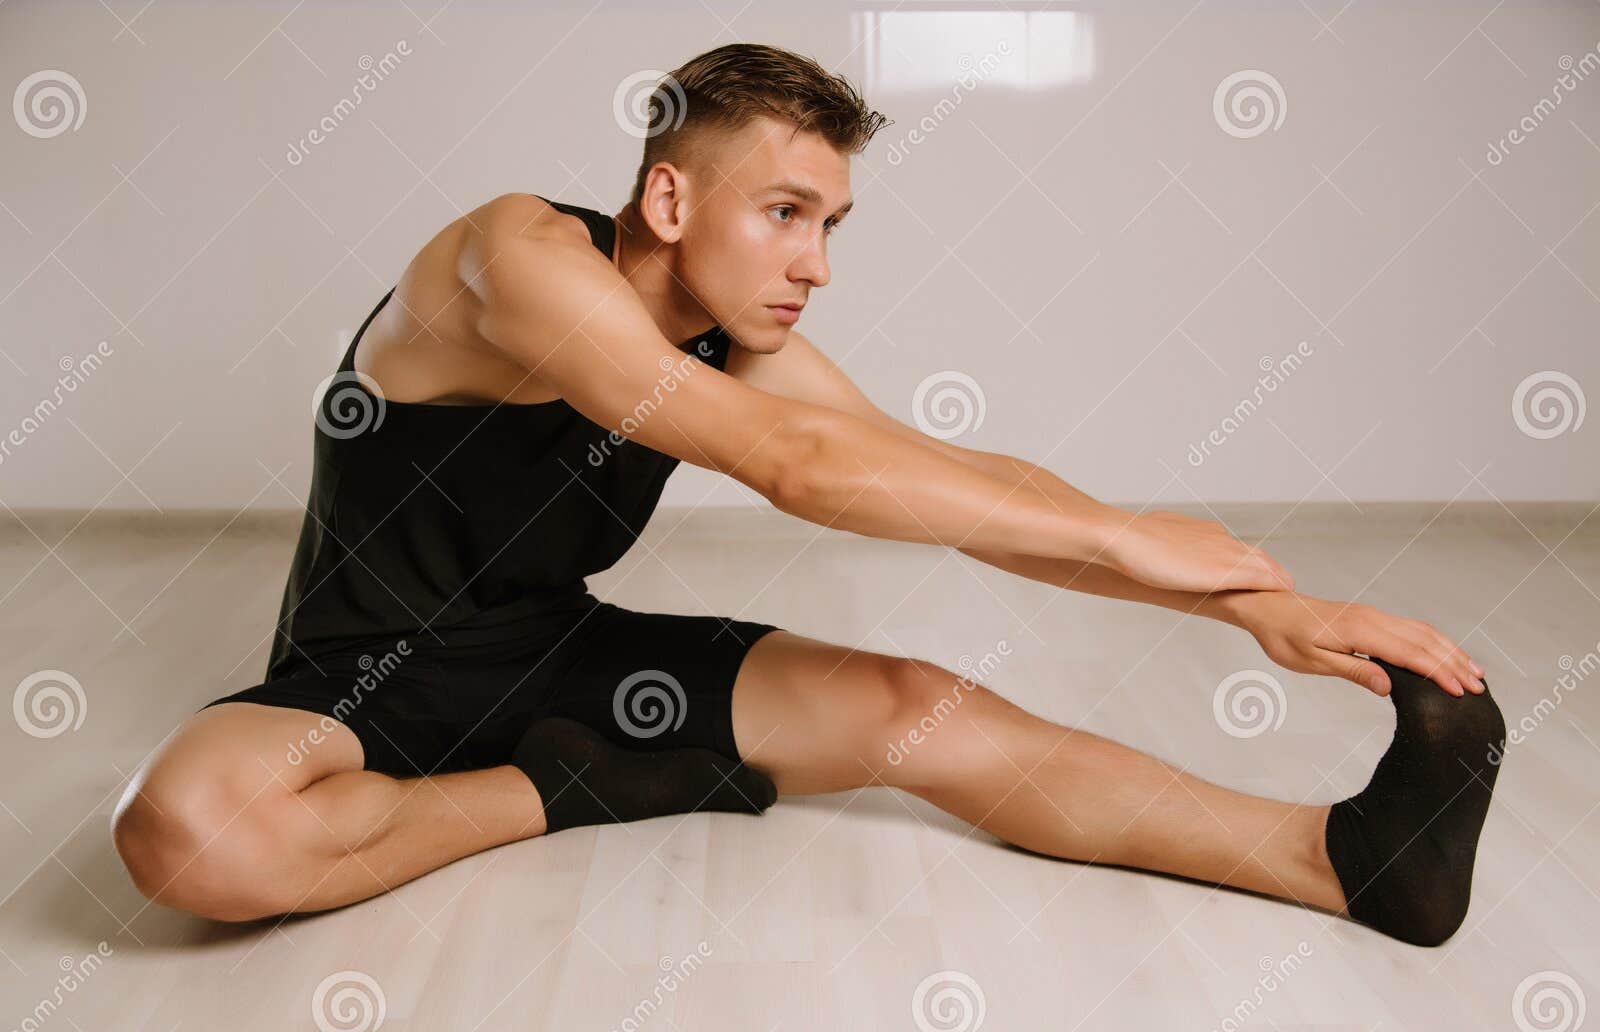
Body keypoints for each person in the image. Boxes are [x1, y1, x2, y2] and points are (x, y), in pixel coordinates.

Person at [112, 43, 1504, 948]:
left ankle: (1342, 858)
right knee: (188, 836)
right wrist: (1141, 539)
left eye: (831, 224)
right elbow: (792, 467)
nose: (817, 262)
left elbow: (957, 487)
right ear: (667, 201)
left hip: (548, 652)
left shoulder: (738, 335)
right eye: (784, 212)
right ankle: (562, 788)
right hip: (354, 682)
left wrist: (1271, 603)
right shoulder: (508, 257)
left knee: (915, 707)